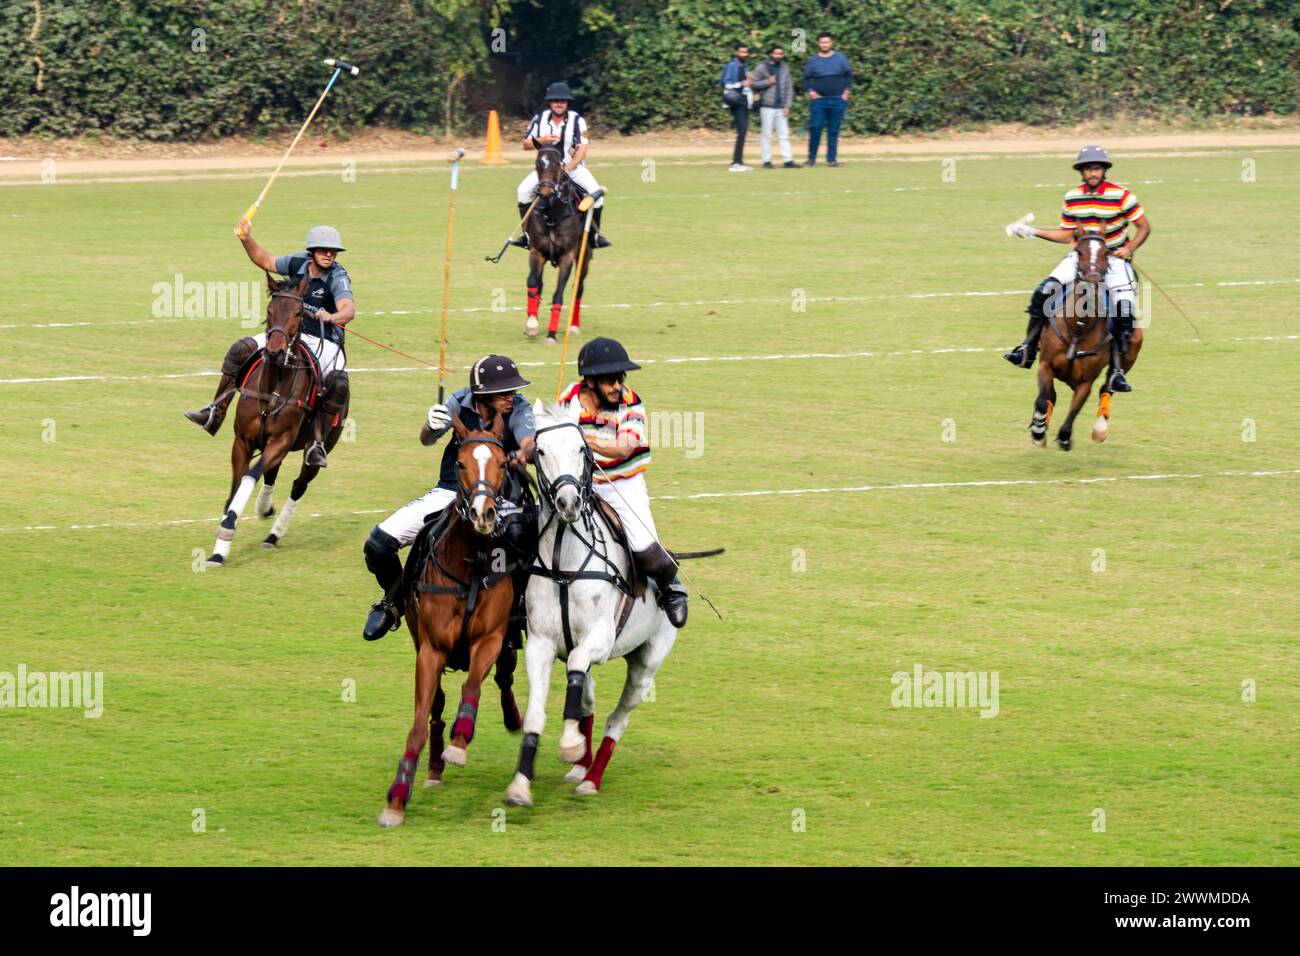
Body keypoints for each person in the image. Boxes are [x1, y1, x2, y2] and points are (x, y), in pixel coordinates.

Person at [362, 356, 536, 641]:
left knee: (516, 546)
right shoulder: (459, 402)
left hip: (499, 500)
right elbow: (426, 440)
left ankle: (516, 610)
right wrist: (430, 425)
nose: (511, 396)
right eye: (504, 392)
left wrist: (521, 454)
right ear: (483, 394)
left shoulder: (519, 408)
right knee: (378, 545)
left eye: (513, 390)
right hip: (450, 492)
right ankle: (396, 602)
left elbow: (529, 443)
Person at [185, 222, 353, 467]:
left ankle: (316, 442)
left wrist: (332, 317)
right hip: (289, 332)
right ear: (312, 251)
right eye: (323, 250)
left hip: (324, 340)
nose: (329, 254)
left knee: (337, 383)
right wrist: (246, 238)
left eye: (333, 251)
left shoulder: (337, 277)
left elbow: (349, 309)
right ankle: (216, 411)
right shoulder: (297, 263)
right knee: (239, 349)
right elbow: (265, 259)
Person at [558, 337, 688, 627]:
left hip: (622, 483)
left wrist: (578, 437)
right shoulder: (569, 397)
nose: (617, 386)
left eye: (620, 378)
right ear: (590, 382)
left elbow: (624, 447)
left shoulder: (631, 402)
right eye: (609, 380)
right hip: (581, 480)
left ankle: (671, 584)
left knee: (646, 552)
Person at [1004, 145, 1150, 392]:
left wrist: (1130, 248)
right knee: (1044, 290)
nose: (1093, 173)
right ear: (1081, 172)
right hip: (1080, 256)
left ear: (1104, 170)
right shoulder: (1073, 197)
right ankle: (1028, 348)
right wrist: (1032, 231)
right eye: (1088, 169)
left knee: (1124, 311)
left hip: (1113, 259)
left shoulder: (1123, 196)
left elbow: (1144, 227)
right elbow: (1066, 235)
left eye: (1097, 168)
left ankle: (1116, 372)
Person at [510, 81, 612, 249]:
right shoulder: (539, 119)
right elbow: (525, 144)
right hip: (547, 171)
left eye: (563, 101)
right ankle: (528, 235)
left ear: (567, 103)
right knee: (522, 191)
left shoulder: (578, 121)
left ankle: (594, 236)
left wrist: (568, 167)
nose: (559, 103)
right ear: (550, 102)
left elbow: (582, 150)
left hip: (572, 169)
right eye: (556, 100)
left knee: (597, 196)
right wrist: (541, 140)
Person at [803, 32, 852, 167]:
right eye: (822, 42)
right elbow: (806, 79)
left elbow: (848, 76)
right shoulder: (813, 60)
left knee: (834, 130)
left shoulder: (841, 58)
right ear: (818, 44)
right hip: (819, 101)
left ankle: (832, 159)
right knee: (816, 128)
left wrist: (846, 92)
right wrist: (811, 92)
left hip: (837, 100)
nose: (825, 44)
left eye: (827, 42)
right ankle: (811, 158)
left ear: (831, 43)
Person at [751, 44, 799, 169]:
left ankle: (788, 160)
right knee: (766, 134)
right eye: (776, 53)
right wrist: (768, 82)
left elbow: (789, 87)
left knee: (784, 134)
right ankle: (767, 161)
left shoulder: (784, 68)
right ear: (770, 54)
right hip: (766, 105)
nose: (778, 56)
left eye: (780, 54)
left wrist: (787, 105)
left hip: (781, 107)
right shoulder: (761, 67)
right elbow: (752, 84)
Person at [720, 43, 753, 172]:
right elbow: (726, 83)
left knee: (743, 131)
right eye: (742, 52)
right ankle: (736, 162)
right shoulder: (731, 66)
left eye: (746, 52)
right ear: (736, 53)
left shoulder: (745, 67)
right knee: (742, 130)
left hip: (744, 100)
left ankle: (739, 160)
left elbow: (746, 85)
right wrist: (741, 83)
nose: (745, 54)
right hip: (735, 100)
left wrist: (750, 82)